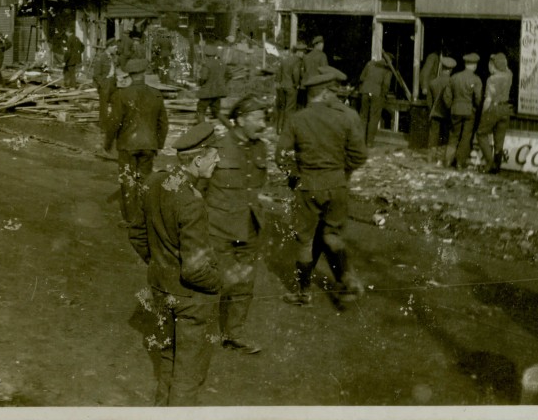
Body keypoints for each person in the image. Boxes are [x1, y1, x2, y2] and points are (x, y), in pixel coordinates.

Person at [128, 122, 222, 406]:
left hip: (160, 289)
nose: (218, 160)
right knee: (188, 372)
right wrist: (220, 283)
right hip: (190, 299)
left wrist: (158, 261)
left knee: (167, 357)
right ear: (197, 159)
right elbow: (194, 270)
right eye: (214, 155)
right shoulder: (191, 201)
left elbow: (136, 232)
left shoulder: (155, 182)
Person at [277, 66, 368, 308]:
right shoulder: (344, 117)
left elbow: (282, 155)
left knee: (305, 241)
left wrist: (295, 177)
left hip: (308, 186)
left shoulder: (297, 119)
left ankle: (303, 293)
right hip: (337, 185)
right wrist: (342, 173)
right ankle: (347, 278)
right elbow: (359, 155)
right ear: (325, 93)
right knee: (332, 235)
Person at [203, 96, 268, 354]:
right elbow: (199, 186)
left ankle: (234, 334)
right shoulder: (217, 147)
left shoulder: (261, 147)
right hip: (218, 226)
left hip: (249, 225)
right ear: (240, 120)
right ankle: (196, 332)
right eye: (258, 119)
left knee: (244, 282)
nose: (263, 125)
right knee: (212, 280)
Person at [105, 58, 169, 226]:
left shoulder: (121, 95)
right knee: (145, 180)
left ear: (130, 75)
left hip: (127, 145)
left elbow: (114, 122)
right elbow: (163, 123)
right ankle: (145, 218)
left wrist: (108, 143)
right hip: (149, 145)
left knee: (128, 180)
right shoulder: (156, 94)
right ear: (144, 73)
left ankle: (131, 218)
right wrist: (159, 144)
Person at [443, 53, 483, 169]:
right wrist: (476, 107)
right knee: (466, 137)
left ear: (465, 64)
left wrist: (451, 106)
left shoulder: (454, 77)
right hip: (469, 111)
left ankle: (447, 161)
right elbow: (478, 97)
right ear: (474, 65)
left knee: (453, 135)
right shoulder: (476, 79)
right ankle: (460, 163)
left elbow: (447, 96)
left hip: (455, 110)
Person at [477, 53, 514, 173]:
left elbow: (488, 99)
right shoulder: (509, 75)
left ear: (493, 65)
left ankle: (489, 162)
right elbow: (507, 68)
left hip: (494, 108)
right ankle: (496, 167)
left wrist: (483, 113)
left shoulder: (491, 79)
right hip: (506, 109)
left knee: (481, 133)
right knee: (499, 139)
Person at [357, 52, 394, 146]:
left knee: (363, 117)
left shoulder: (370, 64)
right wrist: (383, 96)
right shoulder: (387, 69)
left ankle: (360, 141)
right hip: (377, 94)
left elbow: (361, 78)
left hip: (365, 92)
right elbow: (386, 85)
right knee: (374, 118)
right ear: (389, 61)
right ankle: (369, 142)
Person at [426, 56, 456, 165]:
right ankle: (442, 159)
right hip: (447, 115)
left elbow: (429, 102)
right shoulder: (452, 82)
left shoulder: (433, 82)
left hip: (435, 113)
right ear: (451, 70)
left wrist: (432, 111)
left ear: (441, 67)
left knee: (433, 136)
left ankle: (430, 158)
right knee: (445, 137)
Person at [274, 43, 306, 133]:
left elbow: (278, 75)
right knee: (290, 109)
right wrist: (296, 84)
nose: (303, 55)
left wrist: (279, 84)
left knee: (281, 108)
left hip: (282, 87)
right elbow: (296, 74)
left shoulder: (285, 60)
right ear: (299, 52)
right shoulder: (298, 61)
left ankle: (278, 128)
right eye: (303, 52)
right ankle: (286, 130)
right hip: (291, 88)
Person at [196, 46, 229, 124]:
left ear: (206, 55)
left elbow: (203, 77)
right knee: (217, 112)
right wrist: (223, 83)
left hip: (207, 92)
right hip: (218, 92)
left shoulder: (206, 64)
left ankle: (202, 129)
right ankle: (230, 127)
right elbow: (229, 74)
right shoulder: (222, 63)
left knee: (200, 111)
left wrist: (200, 83)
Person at [92, 39, 119, 131]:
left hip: (113, 83)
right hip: (105, 83)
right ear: (109, 47)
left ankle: (111, 124)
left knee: (115, 104)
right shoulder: (101, 57)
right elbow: (96, 74)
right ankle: (103, 126)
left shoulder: (113, 57)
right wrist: (102, 84)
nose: (116, 49)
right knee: (104, 106)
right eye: (115, 47)